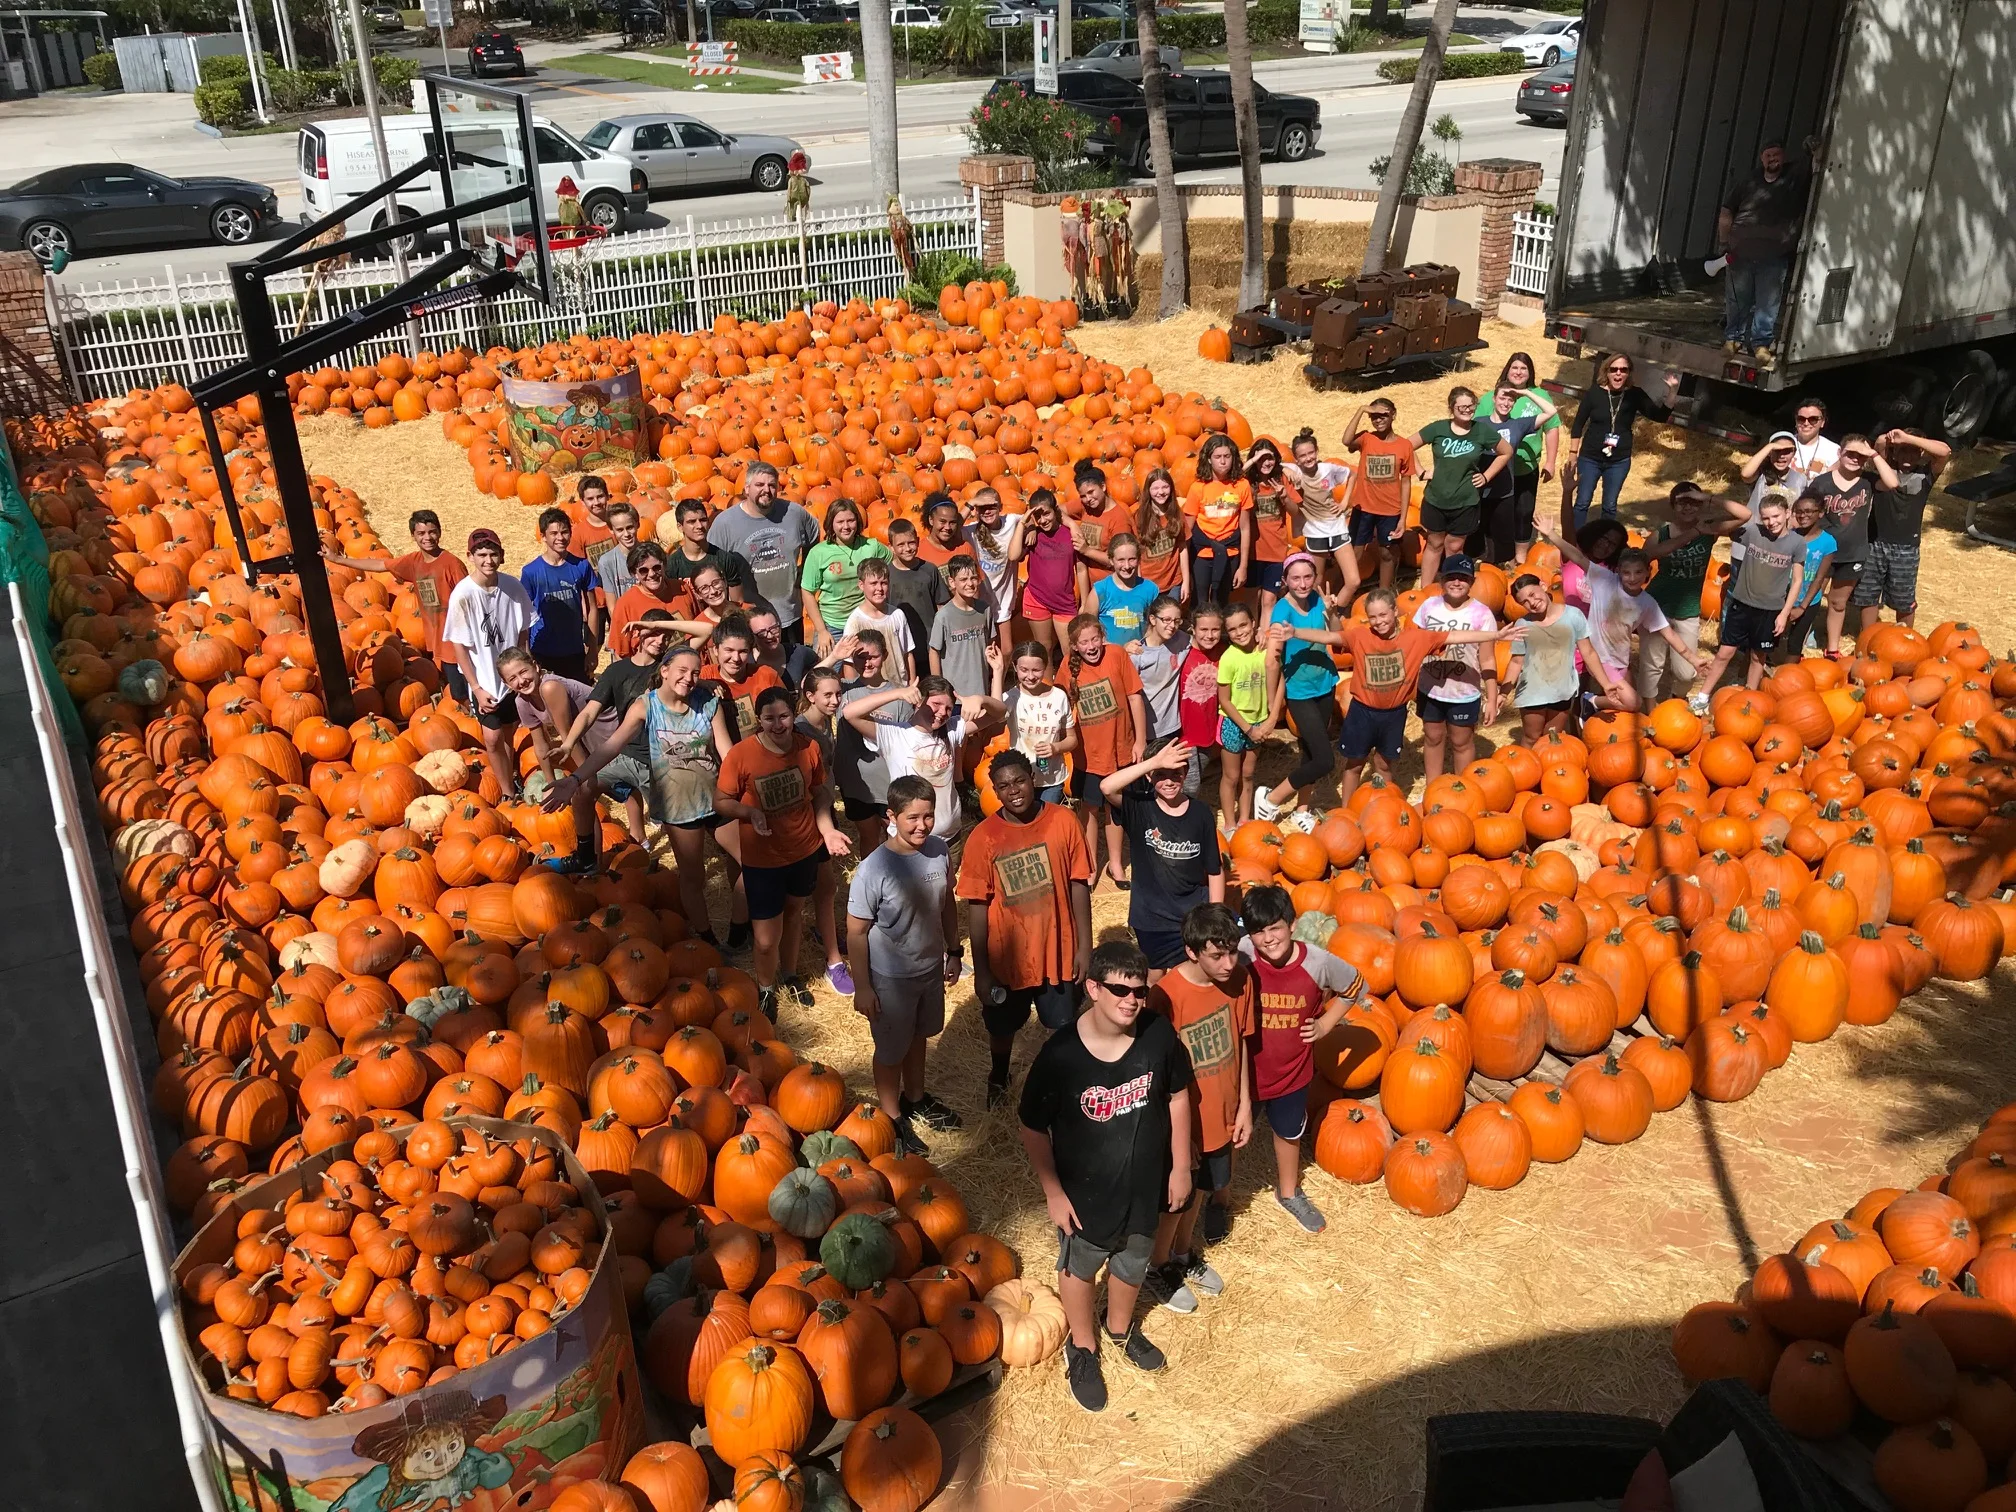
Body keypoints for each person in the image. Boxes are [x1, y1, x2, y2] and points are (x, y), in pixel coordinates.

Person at [1017, 939, 1190, 1411]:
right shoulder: (1062, 1056)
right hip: (1083, 1195)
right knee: (1081, 1266)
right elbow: (1033, 1125)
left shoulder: (1157, 1035)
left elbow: (1178, 1095)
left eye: (1139, 991)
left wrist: (1179, 1166)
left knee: (1133, 1262)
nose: (1131, 1000)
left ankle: (1119, 1329)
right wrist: (1052, 1193)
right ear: (1093, 988)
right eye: (1119, 989)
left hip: (1144, 1186)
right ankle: (1083, 1346)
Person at [546, 644, 734, 946]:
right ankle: (707, 938)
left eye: (695, 673)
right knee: (693, 877)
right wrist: (576, 778)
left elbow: (728, 754)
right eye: (682, 671)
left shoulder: (707, 702)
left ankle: (740, 927)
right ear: (664, 671)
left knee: (749, 859)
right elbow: (611, 746)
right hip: (679, 806)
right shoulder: (646, 706)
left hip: (717, 797)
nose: (689, 678)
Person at [961, 748, 1094, 1107]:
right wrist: (982, 971)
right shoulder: (983, 837)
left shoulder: (1063, 822)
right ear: (994, 791)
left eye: (1020, 780)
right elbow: (977, 906)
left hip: (1058, 950)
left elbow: (1079, 883)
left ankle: (1062, 1083)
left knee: (1061, 1024)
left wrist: (1085, 946)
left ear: (1034, 778)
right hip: (1008, 959)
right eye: (1004, 786)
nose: (1014, 790)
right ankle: (999, 1074)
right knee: (1001, 1027)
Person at [1285, 588, 1504, 800]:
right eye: (1372, 617)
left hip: (1394, 715)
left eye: (1383, 614)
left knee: (1384, 763)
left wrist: (1495, 634)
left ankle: (1383, 803)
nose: (1379, 621)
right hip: (1362, 712)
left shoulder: (1417, 638)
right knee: (1354, 764)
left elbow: (1454, 636)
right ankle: (1347, 811)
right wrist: (1295, 632)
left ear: (1395, 611)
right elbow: (1329, 637)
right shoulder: (1360, 636)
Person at [714, 685, 851, 1012]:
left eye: (784, 716)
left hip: (803, 851)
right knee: (764, 939)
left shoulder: (809, 749)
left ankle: (789, 975)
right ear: (758, 720)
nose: (778, 725)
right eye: (769, 718)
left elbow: (819, 793)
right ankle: (764, 987)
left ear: (794, 714)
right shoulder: (742, 755)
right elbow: (721, 802)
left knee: (793, 915)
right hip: (763, 860)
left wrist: (828, 830)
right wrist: (750, 813)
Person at [847, 775, 963, 1159]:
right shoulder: (873, 869)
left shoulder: (939, 851)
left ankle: (916, 1098)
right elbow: (856, 932)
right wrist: (862, 986)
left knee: (919, 1036)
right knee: (890, 1048)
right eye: (912, 817)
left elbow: (947, 904)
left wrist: (953, 951)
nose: (921, 825)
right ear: (890, 817)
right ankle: (891, 1117)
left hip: (929, 968)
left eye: (928, 816)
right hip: (890, 977)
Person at [1239, 885, 1364, 1235]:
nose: (1268, 939)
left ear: (1292, 924)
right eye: (1259, 931)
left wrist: (1326, 1023)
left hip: (1292, 1072)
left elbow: (1355, 985)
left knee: (1289, 1133)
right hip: (1246, 1073)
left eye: (1275, 928)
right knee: (1234, 1135)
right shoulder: (1243, 953)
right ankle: (1220, 1197)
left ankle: (1289, 1191)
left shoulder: (1318, 962)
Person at [1143, 903, 1246, 1310]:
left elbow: (1241, 1041)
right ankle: (1158, 1264)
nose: (1228, 963)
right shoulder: (1165, 995)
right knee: (1177, 1196)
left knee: (1203, 1187)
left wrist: (1244, 1105)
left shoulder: (1240, 981)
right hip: (1183, 1120)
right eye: (1217, 955)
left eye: (1233, 952)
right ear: (1191, 951)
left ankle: (1183, 1254)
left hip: (1222, 1111)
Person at [1538, 527, 1705, 711]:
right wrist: (1551, 533)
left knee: (1625, 705)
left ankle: (1593, 710)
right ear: (1618, 571)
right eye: (1626, 573)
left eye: (1638, 572)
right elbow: (1577, 557)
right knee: (1633, 703)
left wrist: (1693, 659)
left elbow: (1668, 634)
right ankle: (1590, 701)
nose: (1632, 578)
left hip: (1620, 658)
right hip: (1599, 656)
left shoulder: (1647, 603)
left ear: (1648, 572)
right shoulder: (1604, 579)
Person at [1101, 741, 1223, 978]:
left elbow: (1215, 870)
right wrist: (1154, 761)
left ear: (1186, 773)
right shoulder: (1139, 807)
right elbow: (1107, 787)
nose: (1168, 782)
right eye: (1160, 775)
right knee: (1154, 978)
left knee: (1192, 976)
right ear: (1149, 776)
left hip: (1191, 916)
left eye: (1175, 774)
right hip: (1151, 918)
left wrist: (1214, 915)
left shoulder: (1200, 814)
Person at [845, 672, 1004, 841]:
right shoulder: (895, 734)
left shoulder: (952, 729)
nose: (942, 712)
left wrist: (981, 699)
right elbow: (850, 713)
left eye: (949, 708)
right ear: (919, 701)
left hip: (951, 836)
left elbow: (999, 713)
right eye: (936, 704)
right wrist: (898, 693)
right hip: (911, 839)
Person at [322, 509, 467, 694]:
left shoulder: (452, 564)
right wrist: (337, 559)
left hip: (458, 639)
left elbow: (470, 599)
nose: (427, 537)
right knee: (457, 690)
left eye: (432, 532)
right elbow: (380, 565)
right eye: (421, 533)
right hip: (438, 637)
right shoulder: (414, 561)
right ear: (413, 536)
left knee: (463, 692)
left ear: (439, 532)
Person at [557, 609, 670, 846]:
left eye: (666, 636)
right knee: (582, 792)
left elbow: (707, 631)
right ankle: (587, 857)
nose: (660, 641)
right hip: (626, 756)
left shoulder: (669, 668)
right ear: (638, 633)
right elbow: (589, 713)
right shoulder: (617, 671)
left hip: (660, 761)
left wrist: (658, 624)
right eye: (655, 634)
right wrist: (568, 742)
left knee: (672, 824)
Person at [497, 647, 613, 873]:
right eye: (513, 678)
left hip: (606, 731)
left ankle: (596, 862)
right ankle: (594, 864)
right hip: (584, 739)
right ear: (507, 685)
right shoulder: (522, 702)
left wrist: (582, 778)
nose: (521, 681)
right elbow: (540, 745)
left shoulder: (550, 686)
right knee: (583, 798)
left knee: (586, 792)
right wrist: (551, 786)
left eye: (523, 672)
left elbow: (567, 734)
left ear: (535, 666)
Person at [442, 529, 535, 797]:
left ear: (502, 556)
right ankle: (506, 792)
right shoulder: (463, 594)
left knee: (508, 732)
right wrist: (476, 687)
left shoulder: (513, 587)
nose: (488, 560)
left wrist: (524, 666)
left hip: (511, 679)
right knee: (492, 738)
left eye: (493, 554)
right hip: (483, 679)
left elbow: (523, 628)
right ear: (470, 556)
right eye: (481, 554)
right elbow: (459, 644)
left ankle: (510, 779)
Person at [1062, 612, 1148, 890]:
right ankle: (1090, 865)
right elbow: (1059, 706)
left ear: (1102, 637)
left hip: (1120, 747)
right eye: (1084, 642)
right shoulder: (1067, 667)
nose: (1090, 646)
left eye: (1094, 639)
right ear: (1074, 646)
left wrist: (1140, 740)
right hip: (1088, 754)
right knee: (1089, 810)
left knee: (1115, 809)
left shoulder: (1117, 655)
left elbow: (1135, 697)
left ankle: (1115, 864)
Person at [1255, 555, 1339, 821]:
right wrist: (1273, 705)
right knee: (1325, 760)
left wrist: (1333, 613)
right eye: (1295, 578)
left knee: (1310, 751)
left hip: (1325, 683)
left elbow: (1338, 637)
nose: (1303, 583)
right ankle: (1271, 799)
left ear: (1315, 578)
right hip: (1299, 691)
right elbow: (1272, 660)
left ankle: (1302, 810)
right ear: (1285, 581)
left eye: (1307, 577)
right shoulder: (1282, 612)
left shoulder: (1318, 600)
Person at [1698, 488, 1806, 691]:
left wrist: (1784, 614)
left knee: (1758, 656)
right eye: (1765, 517)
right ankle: (1703, 695)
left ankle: (1750, 693)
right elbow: (1727, 522)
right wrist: (1708, 499)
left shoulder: (1797, 543)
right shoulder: (1752, 532)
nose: (1771, 522)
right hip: (1741, 604)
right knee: (1724, 653)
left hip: (1770, 610)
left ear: (1787, 513)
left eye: (1776, 516)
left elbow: (1797, 581)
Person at [1718, 140, 1813, 363]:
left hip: (1773, 256)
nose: (1772, 159)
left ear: (1783, 157)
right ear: (1762, 159)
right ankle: (1733, 339)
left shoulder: (1793, 178)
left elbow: (1816, 160)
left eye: (1776, 155)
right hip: (1740, 253)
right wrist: (1724, 243)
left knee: (1767, 303)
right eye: (1768, 155)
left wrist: (1813, 147)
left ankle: (1761, 344)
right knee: (1736, 299)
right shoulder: (1747, 181)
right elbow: (1726, 211)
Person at [707, 461, 820, 644]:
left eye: (772, 485)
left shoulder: (794, 513)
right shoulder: (725, 524)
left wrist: (805, 571)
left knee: (792, 666)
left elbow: (814, 537)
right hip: (748, 619)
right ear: (746, 488)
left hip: (789, 614)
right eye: (759, 485)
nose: (766, 490)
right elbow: (711, 566)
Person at [1801, 434, 1894, 654]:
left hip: (1853, 551)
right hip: (1823, 550)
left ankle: (1832, 648)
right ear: (1839, 453)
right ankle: (1800, 642)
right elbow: (1805, 510)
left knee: (1838, 602)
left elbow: (1892, 483)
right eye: (1850, 453)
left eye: (1860, 456)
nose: (1855, 459)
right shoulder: (1822, 482)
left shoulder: (1868, 481)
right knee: (1811, 597)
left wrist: (1873, 454)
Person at [1411, 556, 1499, 781]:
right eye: (1451, 577)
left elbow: (1487, 659)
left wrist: (1491, 697)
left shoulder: (1482, 614)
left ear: (1472, 582)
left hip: (1463, 691)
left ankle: (1463, 787)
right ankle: (1433, 786)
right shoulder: (1428, 606)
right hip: (1430, 688)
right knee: (1433, 737)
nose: (1457, 582)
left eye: (1463, 578)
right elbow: (1414, 645)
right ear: (1442, 580)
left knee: (1461, 742)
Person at [1412, 388, 1510, 588]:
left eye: (1471, 406)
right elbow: (1406, 446)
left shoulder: (1481, 431)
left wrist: (1486, 476)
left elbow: (1506, 451)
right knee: (1434, 544)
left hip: (1465, 500)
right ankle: (1426, 590)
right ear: (1451, 408)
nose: (1467, 410)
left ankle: (1450, 588)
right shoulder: (1438, 428)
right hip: (1436, 498)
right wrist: (1421, 471)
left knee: (1454, 547)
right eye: (1462, 406)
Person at [797, 664, 855, 996]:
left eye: (838, 694)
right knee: (826, 887)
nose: (835, 701)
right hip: (809, 818)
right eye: (828, 695)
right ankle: (834, 963)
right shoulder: (805, 733)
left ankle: (824, 931)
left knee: (824, 887)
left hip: (824, 811)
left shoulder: (824, 722)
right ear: (810, 697)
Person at [1501, 575, 1615, 744]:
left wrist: (1606, 684)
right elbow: (1517, 661)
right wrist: (1503, 693)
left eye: (1532, 594)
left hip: (1562, 690)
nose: (1531, 602)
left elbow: (1588, 653)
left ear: (1543, 585)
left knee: (1552, 739)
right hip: (1533, 692)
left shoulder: (1573, 616)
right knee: (1531, 738)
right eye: (1524, 601)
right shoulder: (1522, 625)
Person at [1856, 429, 1951, 630]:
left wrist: (1907, 439)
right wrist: (1894, 438)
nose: (1908, 456)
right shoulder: (1884, 468)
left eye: (1913, 452)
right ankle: (1866, 638)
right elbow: (1880, 443)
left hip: (1906, 546)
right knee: (1868, 595)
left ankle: (1905, 638)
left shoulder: (1926, 474)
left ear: (1921, 454)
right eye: (1902, 451)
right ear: (1894, 453)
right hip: (1875, 542)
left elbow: (1945, 451)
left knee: (1904, 599)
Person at [1566, 353, 1671, 530]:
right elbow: (1578, 424)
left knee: (1610, 506)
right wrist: (1572, 454)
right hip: (1590, 457)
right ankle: (1574, 542)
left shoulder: (1634, 395)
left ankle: (1604, 543)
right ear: (1606, 372)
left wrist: (1672, 392)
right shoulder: (1594, 393)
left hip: (1618, 461)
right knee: (1582, 502)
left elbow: (1659, 416)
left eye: (1623, 370)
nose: (1618, 374)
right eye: (1613, 370)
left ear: (1629, 373)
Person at [1638, 486, 1722, 706]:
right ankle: (1650, 709)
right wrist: (1690, 534)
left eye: (1693, 501)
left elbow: (1745, 515)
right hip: (1657, 606)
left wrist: (1707, 497)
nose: (1688, 506)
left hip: (1688, 609)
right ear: (1673, 507)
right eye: (1682, 502)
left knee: (1686, 673)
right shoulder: (1661, 534)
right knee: (1652, 664)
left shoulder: (1708, 532)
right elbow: (1646, 556)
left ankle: (1677, 700)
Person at [835, 628, 910, 854]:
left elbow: (906, 741)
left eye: (873, 657)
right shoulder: (845, 691)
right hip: (856, 783)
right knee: (868, 837)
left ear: (885, 656)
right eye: (860, 657)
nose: (867, 663)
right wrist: (835, 657)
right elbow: (809, 685)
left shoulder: (900, 697)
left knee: (894, 839)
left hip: (889, 783)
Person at [1475, 381, 1560, 567]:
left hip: (1504, 490)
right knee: (1478, 536)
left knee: (1501, 540)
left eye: (1511, 400)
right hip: (1479, 489)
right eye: (1502, 397)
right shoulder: (1479, 423)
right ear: (1494, 398)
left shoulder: (1518, 425)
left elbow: (1551, 411)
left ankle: (1497, 573)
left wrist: (1525, 393)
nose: (1506, 403)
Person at [800, 499, 891, 656]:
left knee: (866, 673)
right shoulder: (818, 553)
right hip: (832, 625)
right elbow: (807, 591)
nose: (846, 526)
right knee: (826, 674)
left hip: (866, 622)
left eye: (851, 520)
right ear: (831, 524)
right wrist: (822, 631)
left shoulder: (872, 546)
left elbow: (895, 565)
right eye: (840, 522)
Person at [520, 508, 602, 681]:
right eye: (554, 533)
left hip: (573, 649)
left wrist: (593, 649)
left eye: (564, 532)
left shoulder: (581, 566)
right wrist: (527, 655)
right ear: (543, 536)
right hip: (542, 650)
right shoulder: (531, 572)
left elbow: (592, 608)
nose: (560, 538)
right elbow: (524, 616)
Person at [1214, 601, 1277, 826]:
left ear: (1253, 624)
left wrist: (1262, 724)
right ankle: (1230, 824)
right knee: (1231, 776)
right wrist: (1248, 729)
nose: (1239, 632)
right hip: (1233, 722)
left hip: (1258, 721)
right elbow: (1224, 699)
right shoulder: (1228, 658)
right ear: (1227, 633)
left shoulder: (1265, 651)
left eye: (1243, 625)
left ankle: (1244, 819)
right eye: (1232, 629)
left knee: (1248, 774)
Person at [1496, 352, 1563, 563]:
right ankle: (1498, 554)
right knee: (1500, 512)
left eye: (1523, 368)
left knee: (1524, 512)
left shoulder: (1540, 396)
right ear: (1507, 369)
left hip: (1527, 467)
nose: (1518, 372)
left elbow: (1552, 428)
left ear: (1530, 373)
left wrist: (1550, 461)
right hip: (1498, 468)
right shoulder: (1494, 396)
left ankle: (1520, 558)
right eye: (1515, 367)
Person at [1342, 399, 1414, 591]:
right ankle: (1344, 591)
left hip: (1390, 510)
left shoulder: (1404, 445)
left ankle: (1384, 593)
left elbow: (1406, 482)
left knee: (1387, 552)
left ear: (1393, 415)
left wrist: (1403, 518)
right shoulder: (1366, 438)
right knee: (1354, 553)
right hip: (1363, 507)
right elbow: (1346, 440)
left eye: (1383, 415)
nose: (1378, 420)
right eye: (1374, 416)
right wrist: (1360, 409)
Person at [996, 639, 1077, 805]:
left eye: (1036, 670)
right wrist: (997, 672)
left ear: (1045, 667)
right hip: (1020, 781)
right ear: (1015, 667)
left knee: (1046, 825)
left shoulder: (1059, 697)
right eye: (1024, 670)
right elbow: (996, 714)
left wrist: (1055, 747)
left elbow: (1072, 739)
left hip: (1052, 780)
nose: (1030, 676)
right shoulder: (1011, 697)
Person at [1010, 488, 1083, 661]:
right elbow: (1013, 556)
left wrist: (1085, 601)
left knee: (1070, 651)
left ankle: (1071, 686)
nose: (1043, 520)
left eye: (1047, 514)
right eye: (1038, 517)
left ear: (1055, 511)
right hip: (1037, 599)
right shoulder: (1032, 536)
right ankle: (1047, 685)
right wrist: (1024, 524)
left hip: (1065, 602)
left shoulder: (1069, 534)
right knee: (1044, 649)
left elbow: (1081, 567)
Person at [1285, 429, 1356, 607]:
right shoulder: (1295, 471)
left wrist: (1345, 502)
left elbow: (1353, 474)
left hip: (1338, 529)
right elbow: (1272, 464)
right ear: (1296, 459)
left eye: (1311, 453)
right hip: (1315, 533)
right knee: (1315, 582)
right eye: (1302, 455)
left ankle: (1336, 610)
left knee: (1354, 580)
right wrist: (1286, 469)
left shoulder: (1328, 469)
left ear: (1317, 452)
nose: (1308, 458)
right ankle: (1318, 615)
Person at [1184, 434, 1252, 607]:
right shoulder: (1198, 488)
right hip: (1203, 553)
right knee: (1199, 603)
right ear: (1208, 459)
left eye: (1227, 456)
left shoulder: (1242, 485)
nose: (1223, 461)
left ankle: (1219, 633)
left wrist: (1243, 566)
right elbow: (1187, 530)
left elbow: (1245, 528)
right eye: (1218, 457)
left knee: (1221, 602)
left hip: (1230, 553)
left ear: (1233, 458)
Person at [1775, 492, 1837, 665]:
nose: (1804, 515)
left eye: (1809, 511)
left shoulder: (1828, 542)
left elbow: (1819, 578)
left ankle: (1787, 676)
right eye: (1800, 511)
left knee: (1795, 643)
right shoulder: (1787, 536)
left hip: (1808, 601)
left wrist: (1802, 607)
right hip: (1782, 598)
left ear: (1821, 513)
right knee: (1773, 636)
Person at [1128, 594, 1188, 769]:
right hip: (1145, 731)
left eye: (1177, 621)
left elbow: (1206, 639)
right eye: (1166, 620)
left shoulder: (1182, 640)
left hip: (1171, 726)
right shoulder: (1138, 655)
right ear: (1153, 620)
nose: (1172, 626)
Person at [963, 487, 1024, 656]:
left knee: (1007, 650)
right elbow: (952, 529)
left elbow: (1033, 518)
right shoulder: (972, 531)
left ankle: (1000, 679)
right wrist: (971, 504)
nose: (987, 511)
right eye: (982, 507)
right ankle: (988, 679)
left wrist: (1031, 529)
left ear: (1001, 507)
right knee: (984, 648)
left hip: (1003, 597)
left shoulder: (1012, 521)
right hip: (980, 598)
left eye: (992, 506)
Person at [883, 520, 947, 676]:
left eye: (911, 543)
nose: (907, 548)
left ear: (918, 541)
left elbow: (942, 605)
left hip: (929, 644)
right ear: (891, 546)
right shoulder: (886, 574)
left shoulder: (929, 570)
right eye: (901, 545)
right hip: (899, 644)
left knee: (930, 688)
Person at [1177, 605, 1225, 802]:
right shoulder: (1181, 653)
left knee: (1200, 770)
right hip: (1183, 731)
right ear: (1193, 629)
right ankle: (1183, 822)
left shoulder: (1222, 652)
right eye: (1204, 629)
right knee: (1191, 784)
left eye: (1215, 630)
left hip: (1207, 729)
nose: (1209, 635)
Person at [928, 555, 995, 698]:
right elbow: (934, 652)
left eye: (974, 578)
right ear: (952, 582)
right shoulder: (944, 616)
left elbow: (991, 644)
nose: (970, 583)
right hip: (955, 696)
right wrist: (939, 689)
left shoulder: (985, 610)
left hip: (981, 691)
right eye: (963, 579)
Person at [665, 499, 754, 605]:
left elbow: (738, 602)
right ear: (680, 527)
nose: (699, 526)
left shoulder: (724, 558)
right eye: (692, 522)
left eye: (703, 520)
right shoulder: (673, 563)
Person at [1245, 438, 1297, 621]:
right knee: (1251, 599)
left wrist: (1285, 497)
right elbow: (1232, 476)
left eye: (1270, 458)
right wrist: (1252, 461)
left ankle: (1265, 640)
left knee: (1269, 600)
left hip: (1276, 550)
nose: (1266, 462)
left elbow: (1295, 511)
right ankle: (1250, 640)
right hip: (1252, 552)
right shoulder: (1247, 482)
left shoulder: (1282, 480)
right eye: (1261, 458)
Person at [711, 618, 786, 741]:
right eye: (729, 650)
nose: (736, 658)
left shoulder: (766, 675)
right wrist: (703, 683)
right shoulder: (705, 676)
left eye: (743, 651)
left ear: (750, 651)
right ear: (715, 650)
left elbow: (785, 717)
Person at [842, 558, 917, 679]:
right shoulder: (855, 621)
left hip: (899, 687)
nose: (879, 588)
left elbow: (907, 653)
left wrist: (912, 685)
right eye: (873, 583)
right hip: (871, 693)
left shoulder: (897, 614)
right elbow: (849, 663)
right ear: (861, 585)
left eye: (884, 583)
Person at [1065, 461, 1136, 586]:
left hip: (1112, 586)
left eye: (1091, 492)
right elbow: (1056, 511)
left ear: (1103, 486)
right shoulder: (1085, 506)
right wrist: (1072, 524)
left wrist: (1087, 551)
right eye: (1083, 496)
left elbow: (1119, 560)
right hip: (1087, 585)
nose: (1088, 499)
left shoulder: (1119, 519)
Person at [1131, 469, 1191, 602]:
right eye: (1155, 488)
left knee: (1171, 620)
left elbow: (1182, 547)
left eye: (1165, 487)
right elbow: (1136, 553)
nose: (1161, 492)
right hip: (1148, 584)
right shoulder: (1139, 517)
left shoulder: (1176, 514)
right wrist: (1138, 583)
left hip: (1173, 582)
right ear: (1148, 490)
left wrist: (1186, 581)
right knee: (1150, 620)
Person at [1090, 534, 1159, 646]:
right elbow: (1088, 629)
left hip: (1140, 653)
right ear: (1111, 560)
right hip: (1111, 654)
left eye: (1132, 559)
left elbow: (1154, 626)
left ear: (1139, 559)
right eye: (1121, 560)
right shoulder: (1100, 591)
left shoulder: (1150, 589)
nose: (1127, 566)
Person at [747, 605, 821, 690]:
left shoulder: (799, 653)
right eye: (762, 633)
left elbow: (820, 670)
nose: (770, 636)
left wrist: (833, 657)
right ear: (751, 635)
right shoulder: (745, 661)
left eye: (774, 628)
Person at [594, 502, 643, 608]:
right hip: (625, 619)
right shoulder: (606, 561)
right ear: (611, 530)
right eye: (620, 530)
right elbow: (612, 606)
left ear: (637, 524)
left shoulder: (651, 554)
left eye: (629, 527)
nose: (626, 534)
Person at [572, 474, 616, 557]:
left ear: (607, 496)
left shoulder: (617, 524)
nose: (596, 503)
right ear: (582, 502)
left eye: (600, 497)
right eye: (590, 499)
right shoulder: (578, 534)